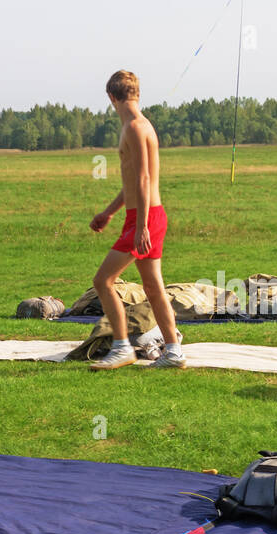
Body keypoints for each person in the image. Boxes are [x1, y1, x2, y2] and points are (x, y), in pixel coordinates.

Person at [88, 70, 186, 370]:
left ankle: (121, 348)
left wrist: (140, 225)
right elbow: (133, 183)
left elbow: (143, 180)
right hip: (148, 215)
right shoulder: (142, 125)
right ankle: (173, 352)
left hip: (144, 218)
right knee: (154, 287)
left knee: (103, 280)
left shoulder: (133, 127)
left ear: (111, 97)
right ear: (136, 94)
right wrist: (109, 212)